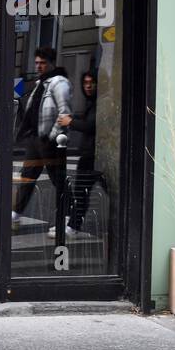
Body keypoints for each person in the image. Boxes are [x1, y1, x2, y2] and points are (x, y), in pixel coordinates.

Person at [11, 46, 72, 236]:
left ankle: (67, 218)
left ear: (51, 63)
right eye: (37, 62)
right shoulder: (41, 83)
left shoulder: (59, 83)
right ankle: (15, 215)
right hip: (36, 139)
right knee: (27, 177)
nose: (38, 66)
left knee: (58, 180)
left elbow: (65, 113)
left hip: (50, 141)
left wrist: (51, 136)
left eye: (42, 63)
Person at [61, 71, 98, 234]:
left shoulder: (99, 102)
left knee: (81, 191)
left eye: (91, 82)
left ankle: (73, 226)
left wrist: (71, 122)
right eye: (85, 83)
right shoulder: (91, 102)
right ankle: (73, 225)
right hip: (90, 154)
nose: (88, 86)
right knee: (81, 191)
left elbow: (91, 126)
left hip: (93, 155)